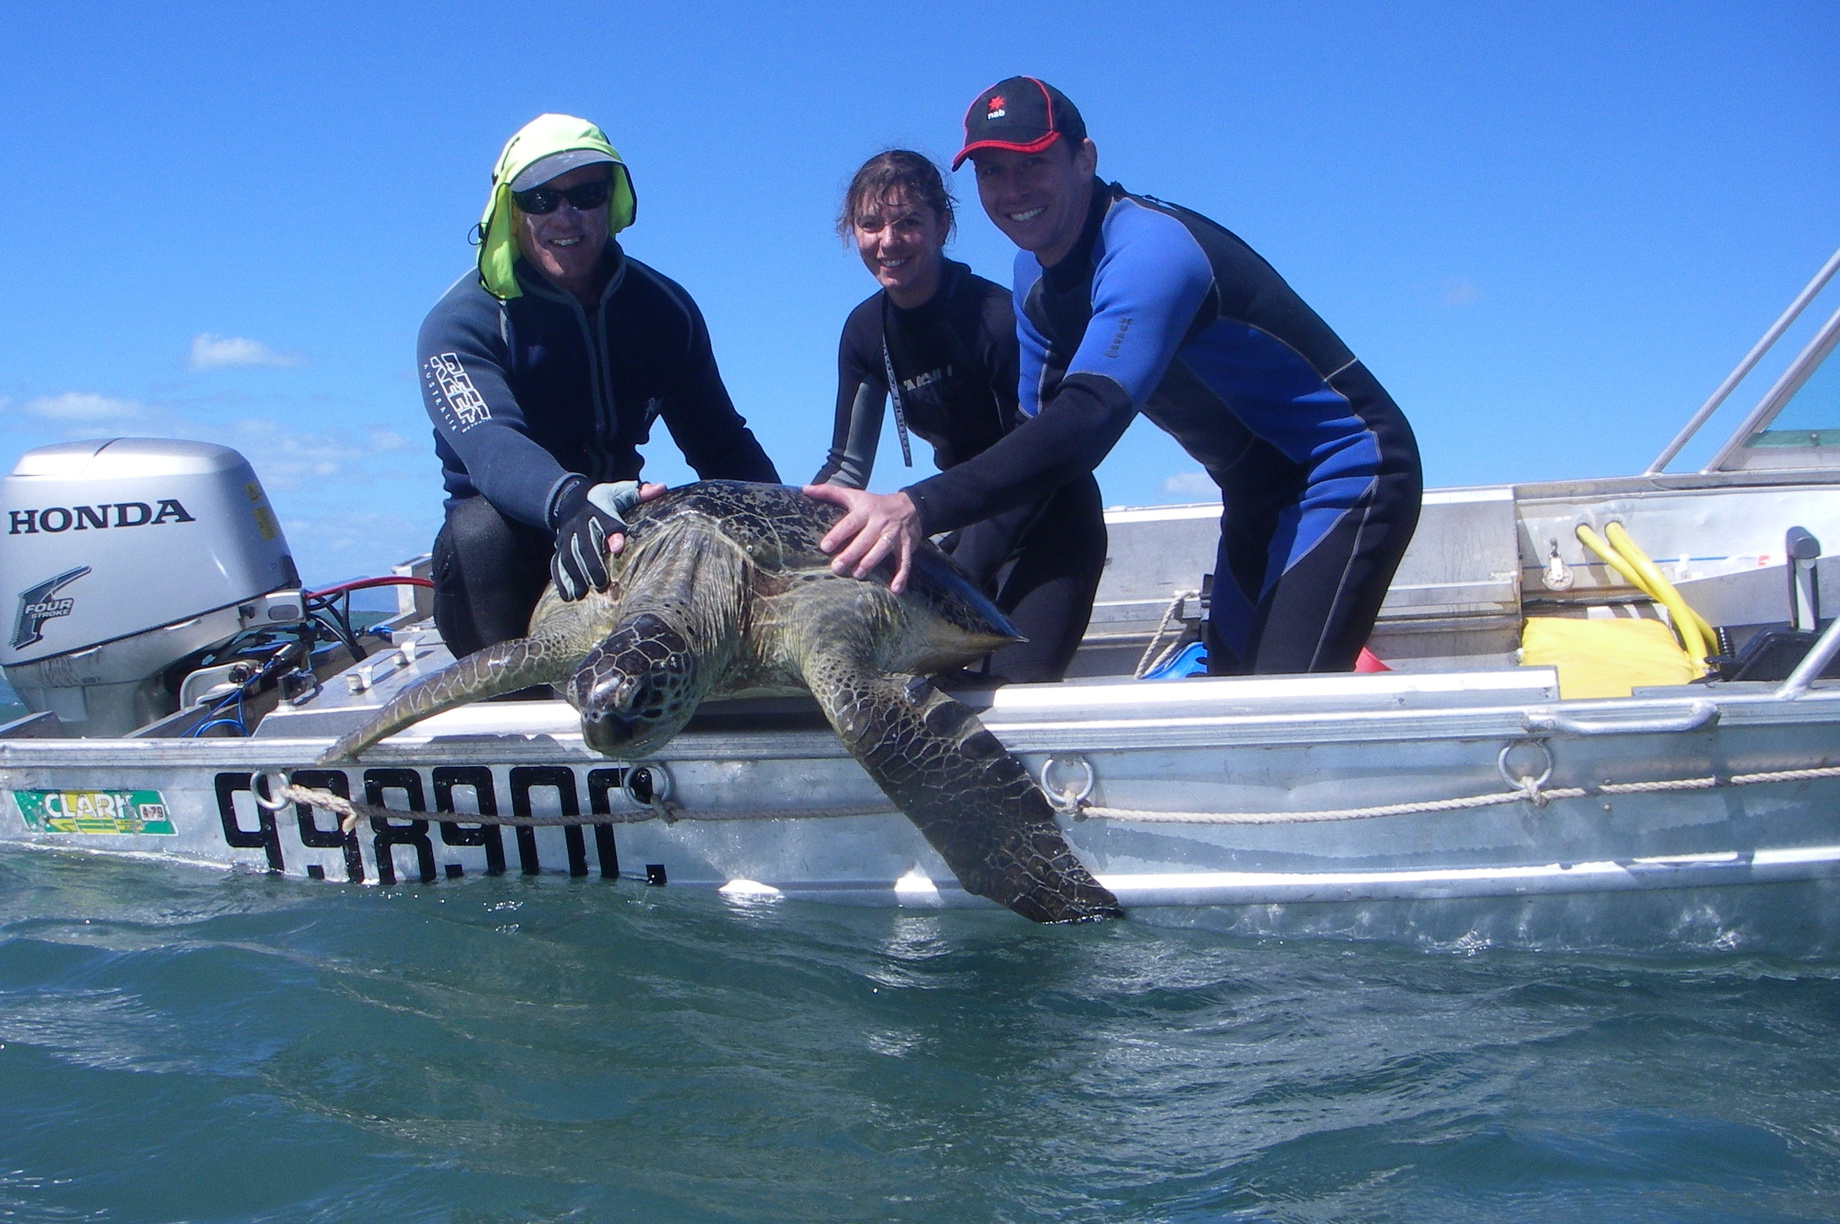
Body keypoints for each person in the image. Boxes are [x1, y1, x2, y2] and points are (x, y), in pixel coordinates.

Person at [808, 79, 1422, 675]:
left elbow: (1085, 422)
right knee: (1229, 703)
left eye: (1033, 162)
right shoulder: (1032, 278)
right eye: (992, 171)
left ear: (1085, 159)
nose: (1012, 189)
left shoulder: (1150, 251)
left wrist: (915, 506)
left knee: (1272, 715)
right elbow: (1034, 436)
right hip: (1254, 494)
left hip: (1343, 470)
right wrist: (949, 574)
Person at [418, 114, 779, 659]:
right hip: (506, 562)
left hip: (619, 540)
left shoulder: (664, 310)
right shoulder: (461, 322)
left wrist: (795, 530)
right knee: (480, 533)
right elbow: (491, 446)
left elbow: (721, 444)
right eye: (541, 199)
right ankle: (515, 700)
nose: (565, 216)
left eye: (587, 194)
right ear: (512, 212)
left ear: (612, 201)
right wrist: (568, 502)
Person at [814, 150, 1105, 683]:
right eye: (871, 225)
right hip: (959, 524)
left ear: (942, 225)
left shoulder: (996, 318)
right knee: (914, 690)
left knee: (1011, 697)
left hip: (1050, 524)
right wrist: (798, 544)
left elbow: (1037, 457)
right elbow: (846, 468)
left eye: (908, 222)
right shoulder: (865, 332)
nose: (888, 242)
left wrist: (958, 571)